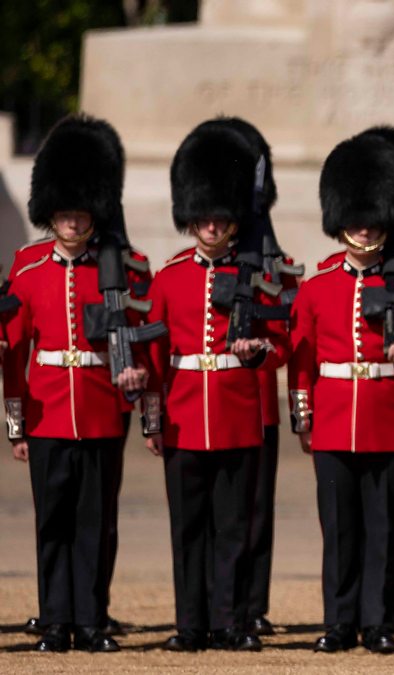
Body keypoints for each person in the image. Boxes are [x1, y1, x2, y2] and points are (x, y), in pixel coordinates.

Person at [2, 114, 151, 653]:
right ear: (51, 213)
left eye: (79, 213)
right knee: (53, 524)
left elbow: (142, 342)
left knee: (96, 524)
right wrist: (17, 424)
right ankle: (54, 619)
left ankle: (91, 620)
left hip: (100, 409)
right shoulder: (28, 266)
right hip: (46, 412)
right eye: (63, 214)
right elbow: (15, 352)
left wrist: (136, 385)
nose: (70, 223)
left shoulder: (125, 268)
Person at [288, 130, 394, 653]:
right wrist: (303, 416)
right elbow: (301, 360)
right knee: (340, 530)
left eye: (373, 221)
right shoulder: (317, 286)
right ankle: (339, 621)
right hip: (333, 418)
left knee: (382, 529)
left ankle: (377, 622)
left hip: (387, 416)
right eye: (356, 220)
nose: (365, 230)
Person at [145, 120, 290, 652]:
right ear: (192, 218)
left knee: (232, 529)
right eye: (203, 218)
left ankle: (231, 623)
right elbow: (154, 356)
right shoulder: (169, 277)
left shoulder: (257, 275)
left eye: (220, 218)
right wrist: (152, 419)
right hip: (184, 415)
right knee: (188, 530)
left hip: (236, 417)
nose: (211, 227)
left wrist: (259, 353)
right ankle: (190, 625)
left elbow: (283, 345)